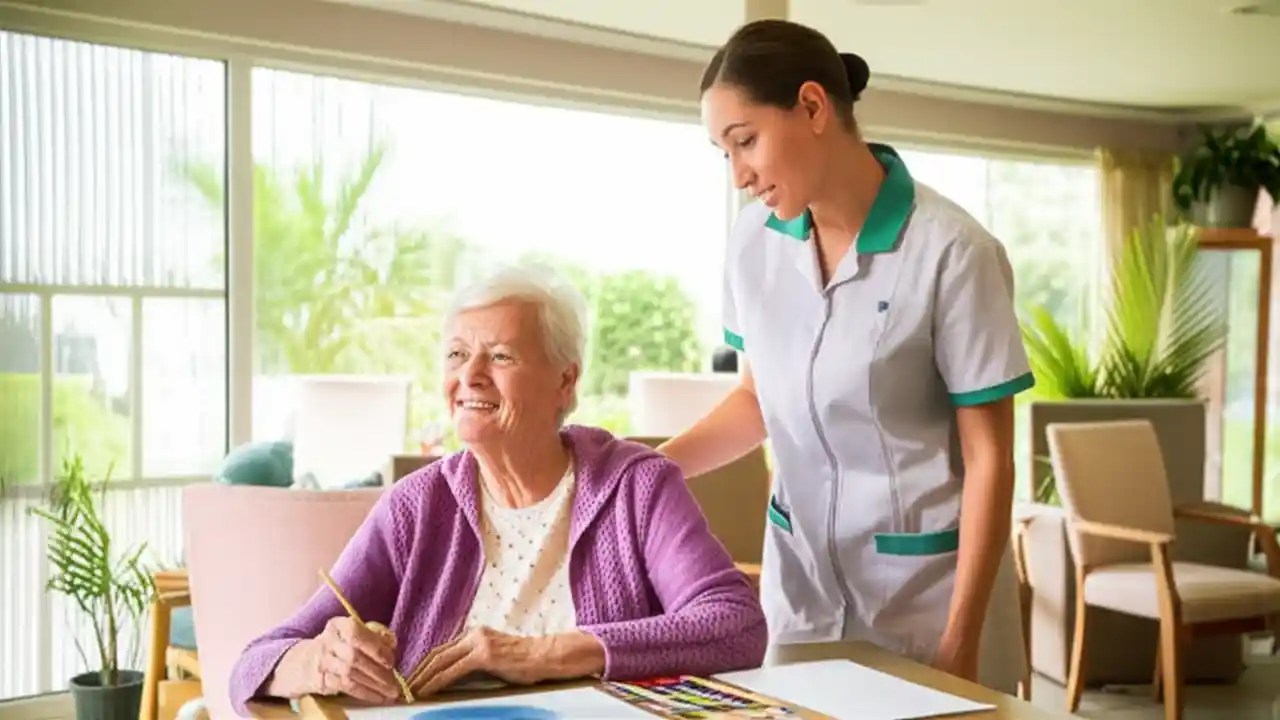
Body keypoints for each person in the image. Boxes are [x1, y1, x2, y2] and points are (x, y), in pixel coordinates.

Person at [659, 19, 1032, 693]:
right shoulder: (753, 243)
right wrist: (647, 472)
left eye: (746, 141)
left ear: (811, 107)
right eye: (724, 153)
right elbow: (755, 401)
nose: (740, 175)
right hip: (801, 589)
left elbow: (990, 461)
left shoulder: (952, 251)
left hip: (926, 599)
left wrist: (959, 643)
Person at [227, 265, 768, 714]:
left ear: (565, 381)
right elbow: (254, 661)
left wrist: (546, 654)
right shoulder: (415, 507)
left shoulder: (635, 486)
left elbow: (735, 625)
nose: (471, 376)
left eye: (501, 356)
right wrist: (319, 661)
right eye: (458, 355)